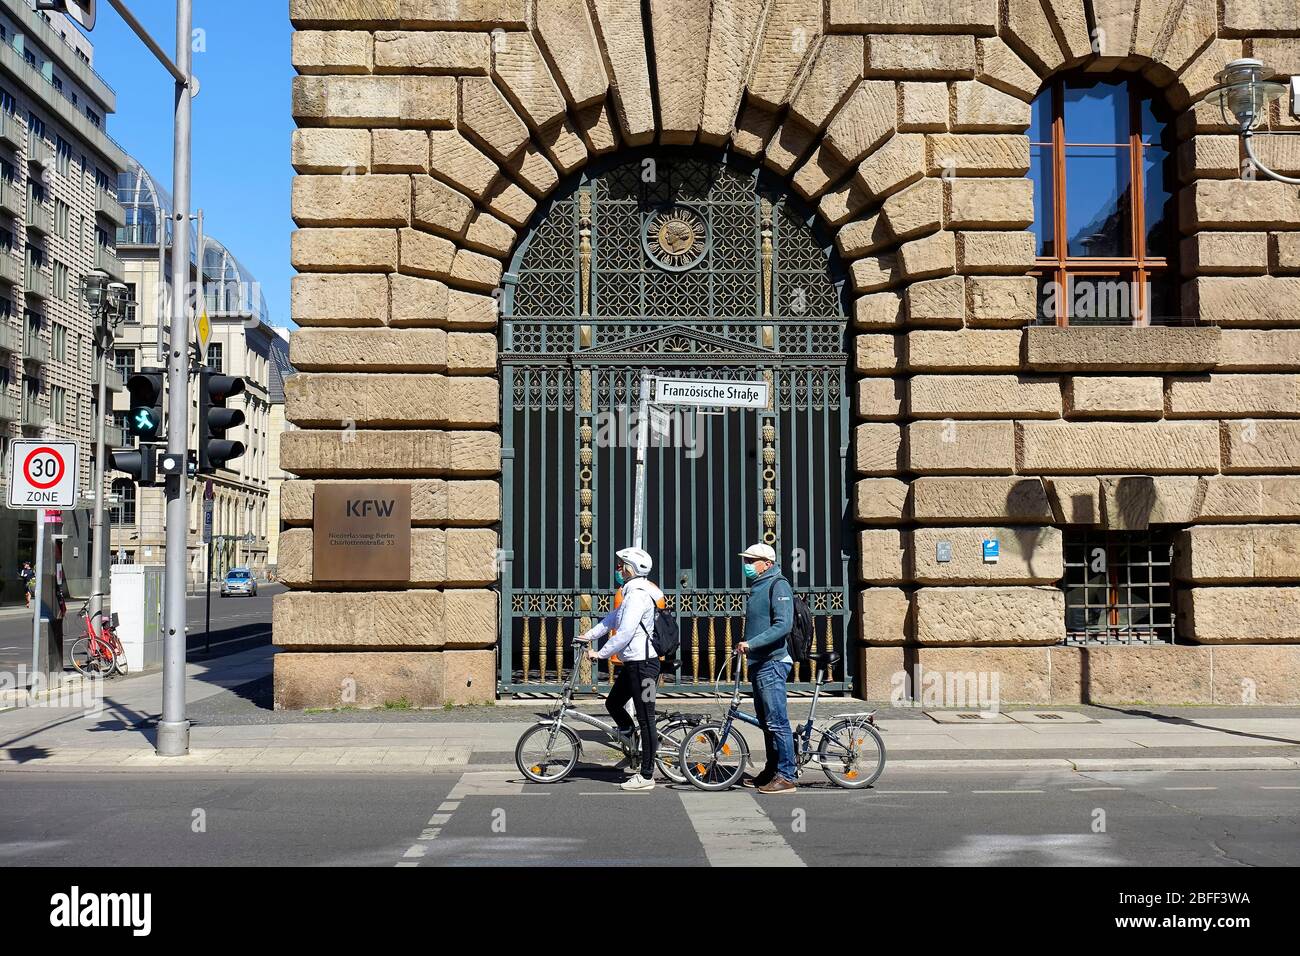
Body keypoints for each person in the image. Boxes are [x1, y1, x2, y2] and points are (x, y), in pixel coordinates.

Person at [578, 546, 663, 792]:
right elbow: (612, 620)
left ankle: (647, 775)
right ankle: (632, 745)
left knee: (646, 719)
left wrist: (600, 653)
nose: (618, 569)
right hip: (633, 665)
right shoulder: (630, 592)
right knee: (613, 703)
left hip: (645, 666)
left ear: (631, 569)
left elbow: (624, 632)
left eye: (622, 565)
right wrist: (587, 636)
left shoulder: (638, 595)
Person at [734, 542, 798, 794]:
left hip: (772, 662)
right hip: (759, 662)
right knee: (766, 721)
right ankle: (772, 770)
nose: (746, 565)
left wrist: (751, 643)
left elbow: (783, 625)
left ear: (767, 563)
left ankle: (787, 775)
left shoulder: (778, 584)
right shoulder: (759, 585)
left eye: (751, 561)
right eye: (746, 560)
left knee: (777, 721)